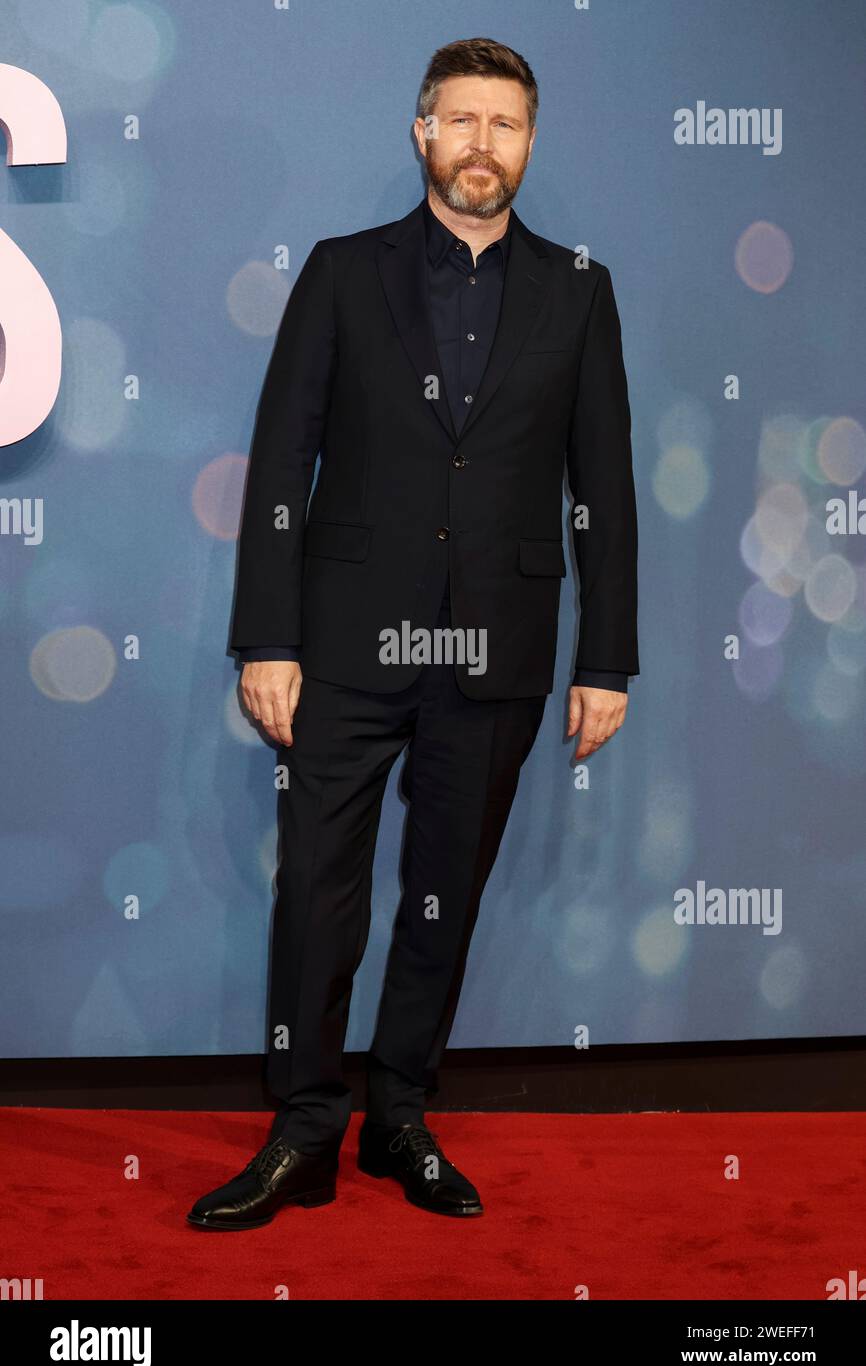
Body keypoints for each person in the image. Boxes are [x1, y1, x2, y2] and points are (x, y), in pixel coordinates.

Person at [188, 35, 638, 1230]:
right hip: (340, 646)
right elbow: (284, 460)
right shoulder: (340, 273)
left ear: (529, 144)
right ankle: (302, 1128)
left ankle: (399, 1117)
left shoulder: (578, 290)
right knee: (317, 896)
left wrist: (606, 660)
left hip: (498, 649)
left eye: (504, 125)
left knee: (445, 889)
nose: (480, 144)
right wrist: (266, 639)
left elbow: (604, 484)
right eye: (460, 120)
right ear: (420, 133)